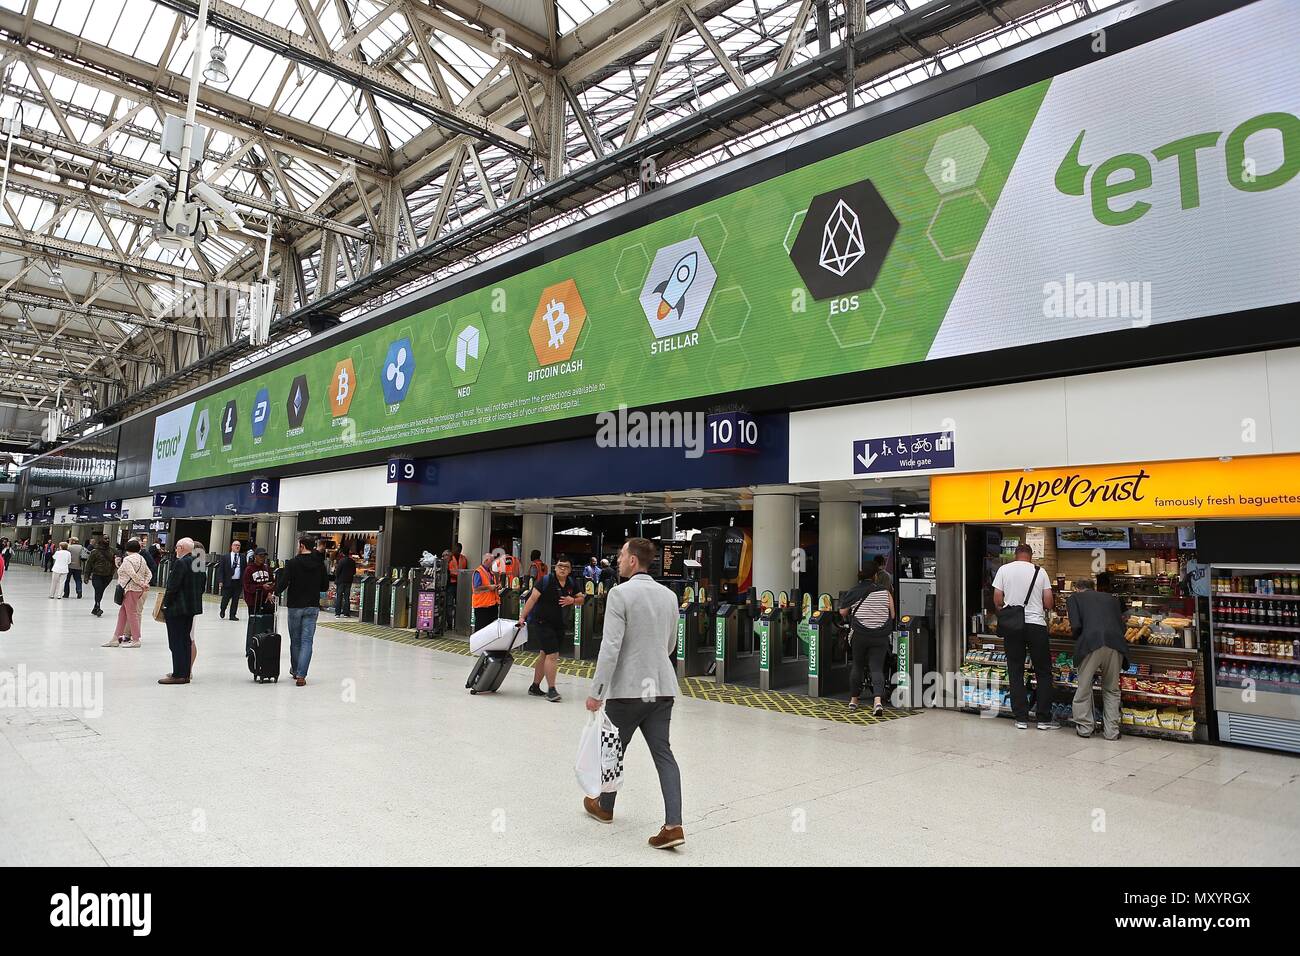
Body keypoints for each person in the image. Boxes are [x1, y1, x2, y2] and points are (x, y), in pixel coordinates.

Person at [583, 538, 685, 850]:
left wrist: (597, 691)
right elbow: (669, 644)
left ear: (632, 561)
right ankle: (674, 825)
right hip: (660, 687)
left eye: (620, 554)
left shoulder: (619, 593)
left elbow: (610, 646)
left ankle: (605, 807)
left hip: (627, 690)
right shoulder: (669, 596)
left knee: (613, 748)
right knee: (664, 754)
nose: (617, 559)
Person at [992, 543, 1057, 730]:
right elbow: (1049, 602)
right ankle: (1043, 719)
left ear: (1015, 555)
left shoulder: (1004, 570)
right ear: (1031, 555)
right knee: (1043, 672)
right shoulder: (1040, 571)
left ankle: (1020, 718)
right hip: (1036, 625)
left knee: (1015, 670)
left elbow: (997, 600)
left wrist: (1009, 610)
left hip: (1013, 627)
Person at [1067, 575, 1127, 740]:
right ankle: (1111, 732)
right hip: (1115, 643)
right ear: (1093, 587)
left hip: (1091, 644)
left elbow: (1076, 625)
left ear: (1077, 588)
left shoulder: (1074, 598)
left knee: (1084, 687)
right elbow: (1122, 625)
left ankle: (1085, 728)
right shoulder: (1110, 598)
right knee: (1112, 689)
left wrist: (1078, 638)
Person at [518, 555, 583, 702]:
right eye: (560, 566)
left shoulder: (572, 583)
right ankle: (552, 690)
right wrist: (522, 617)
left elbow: (582, 598)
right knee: (552, 655)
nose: (562, 569)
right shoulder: (546, 581)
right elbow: (532, 599)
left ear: (570, 570)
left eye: (566, 567)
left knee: (544, 654)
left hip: (559, 624)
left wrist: (572, 600)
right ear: (555, 567)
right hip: (542, 622)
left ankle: (534, 686)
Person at [839, 572, 897, 716]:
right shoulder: (886, 593)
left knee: (857, 665)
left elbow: (842, 612)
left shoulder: (856, 591)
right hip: (880, 636)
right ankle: (877, 702)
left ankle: (854, 700)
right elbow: (893, 615)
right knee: (876, 668)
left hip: (860, 635)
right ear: (874, 577)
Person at [276, 537, 329, 686]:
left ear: (302, 546)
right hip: (312, 606)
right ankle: (301, 675)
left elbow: (284, 582)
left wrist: (274, 592)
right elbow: (324, 586)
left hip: (295, 606)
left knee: (296, 640)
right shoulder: (319, 564)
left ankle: (295, 669)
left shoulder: (292, 563)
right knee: (307, 641)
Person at [158, 538, 204, 685]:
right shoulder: (198, 563)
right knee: (185, 641)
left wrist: (166, 604)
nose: (175, 550)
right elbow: (202, 584)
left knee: (176, 642)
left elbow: (172, 586)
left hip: (177, 609)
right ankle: (185, 673)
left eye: (177, 547)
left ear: (182, 548)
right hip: (190, 608)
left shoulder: (180, 563)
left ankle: (178, 674)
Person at [105, 538, 152, 648]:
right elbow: (149, 573)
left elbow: (132, 574)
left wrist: (141, 583)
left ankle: (136, 640)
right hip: (136, 590)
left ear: (127, 549)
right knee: (123, 613)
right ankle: (115, 638)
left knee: (132, 614)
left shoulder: (127, 560)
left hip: (129, 590)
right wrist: (144, 583)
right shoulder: (141, 559)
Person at [242, 548, 277, 631]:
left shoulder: (267, 568)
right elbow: (247, 586)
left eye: (264, 556)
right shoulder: (249, 569)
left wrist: (270, 592)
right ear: (255, 556)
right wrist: (261, 587)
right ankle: (254, 640)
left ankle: (266, 639)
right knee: (255, 623)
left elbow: (272, 582)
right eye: (260, 556)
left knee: (267, 621)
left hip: (266, 600)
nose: (262, 558)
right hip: (253, 601)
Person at [85, 537, 116, 617]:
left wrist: (113, 572)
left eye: (108, 539)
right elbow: (89, 564)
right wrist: (86, 576)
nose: (107, 540)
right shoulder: (95, 552)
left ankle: (95, 607)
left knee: (101, 590)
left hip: (108, 575)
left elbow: (115, 561)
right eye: (105, 539)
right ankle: (98, 607)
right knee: (98, 589)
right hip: (97, 575)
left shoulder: (112, 550)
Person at [470, 551, 500, 630]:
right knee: (481, 629)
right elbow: (476, 588)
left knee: (491, 629)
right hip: (482, 606)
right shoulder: (479, 572)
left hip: (492, 604)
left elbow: (491, 585)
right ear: (486, 560)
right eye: (491, 560)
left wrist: (496, 586)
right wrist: (490, 587)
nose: (493, 563)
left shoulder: (491, 572)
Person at [217, 540, 246, 622]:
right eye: (235, 545)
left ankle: (232, 615)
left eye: (239, 545)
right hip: (228, 581)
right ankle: (222, 609)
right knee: (225, 598)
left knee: (235, 599)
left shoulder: (243, 557)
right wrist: (221, 581)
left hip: (238, 582)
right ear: (231, 546)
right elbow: (221, 570)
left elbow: (244, 569)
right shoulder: (225, 557)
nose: (237, 547)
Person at [446, 542, 468, 629]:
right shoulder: (449, 558)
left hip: (461, 585)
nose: (457, 551)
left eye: (459, 550)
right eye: (456, 549)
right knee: (449, 604)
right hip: (451, 584)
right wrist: (458, 575)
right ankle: (450, 624)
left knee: (460, 604)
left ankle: (459, 623)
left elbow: (465, 571)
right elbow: (448, 572)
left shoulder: (464, 559)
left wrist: (460, 575)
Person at [333, 545, 357, 618]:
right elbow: (354, 572)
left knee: (339, 597)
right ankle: (346, 613)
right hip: (349, 581)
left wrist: (337, 577)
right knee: (347, 597)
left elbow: (337, 572)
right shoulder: (352, 561)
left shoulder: (341, 561)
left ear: (342, 553)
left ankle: (338, 613)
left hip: (340, 581)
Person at [316, 538, 332, 610]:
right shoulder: (318, 557)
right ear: (322, 545)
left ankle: (317, 604)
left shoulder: (318, 555)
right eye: (324, 546)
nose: (325, 548)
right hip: (316, 581)